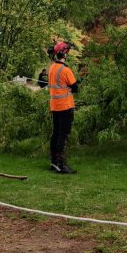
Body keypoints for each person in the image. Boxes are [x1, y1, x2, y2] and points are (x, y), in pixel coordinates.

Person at [47, 41, 80, 174]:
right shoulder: (65, 70)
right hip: (65, 107)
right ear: (65, 54)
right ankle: (61, 165)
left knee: (56, 133)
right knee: (63, 135)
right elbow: (75, 87)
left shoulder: (52, 68)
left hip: (55, 106)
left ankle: (54, 162)